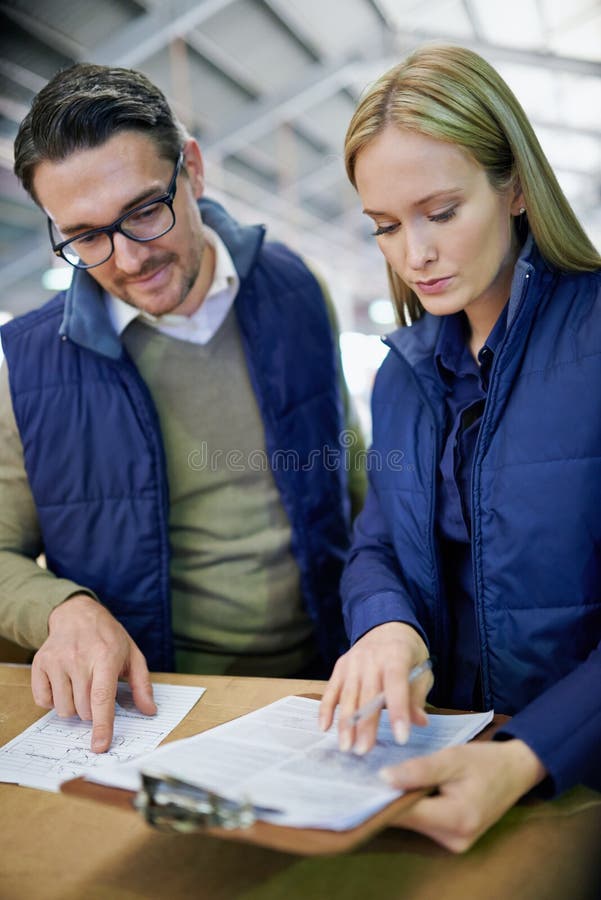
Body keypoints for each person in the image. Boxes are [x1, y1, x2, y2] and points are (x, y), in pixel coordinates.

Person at [0, 64, 366, 753]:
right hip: (152, 709)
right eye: (85, 236)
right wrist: (61, 608)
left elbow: (353, 478)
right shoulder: (26, 366)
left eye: (144, 211)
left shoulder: (295, 290)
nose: (127, 260)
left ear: (192, 170)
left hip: (324, 685)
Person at [319, 43, 601, 852]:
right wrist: (386, 628)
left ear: (514, 187)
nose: (413, 254)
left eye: (440, 212)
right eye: (384, 226)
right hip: (445, 755)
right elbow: (377, 542)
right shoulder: (403, 372)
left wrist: (525, 755)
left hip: (571, 780)